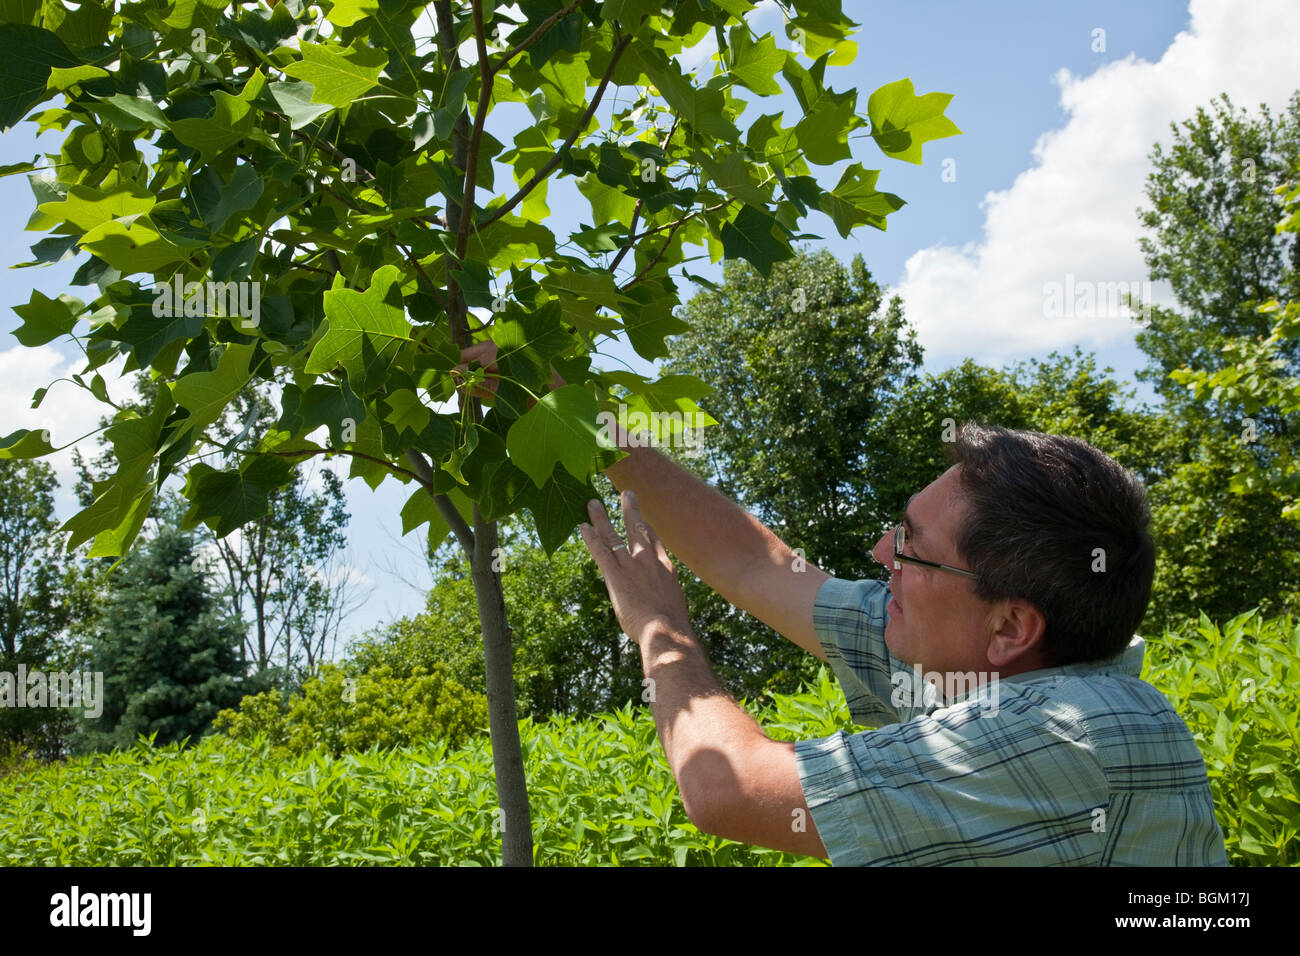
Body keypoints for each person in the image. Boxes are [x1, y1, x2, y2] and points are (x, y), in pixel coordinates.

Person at [460, 346, 1229, 865]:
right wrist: (570, 413)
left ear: (1010, 627)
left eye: (913, 548)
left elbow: (728, 789)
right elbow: (752, 564)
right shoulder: (965, 657)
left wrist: (660, 630)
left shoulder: (1069, 731)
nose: (881, 552)